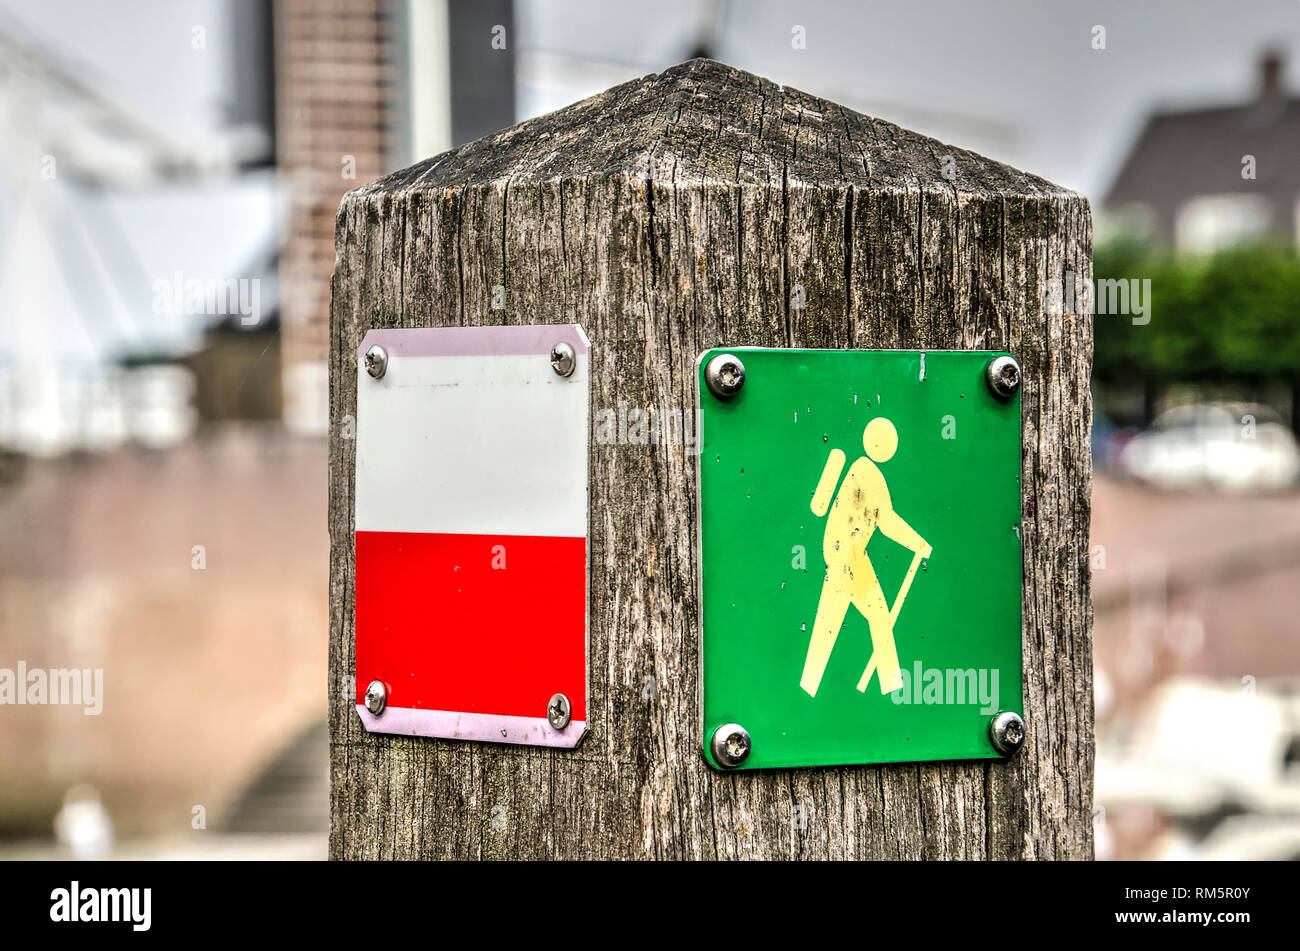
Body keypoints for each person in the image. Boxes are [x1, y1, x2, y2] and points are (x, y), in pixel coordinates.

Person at [801, 417, 931, 698]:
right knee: (879, 616)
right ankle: (893, 689)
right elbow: (887, 521)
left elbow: (882, 520)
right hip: (849, 556)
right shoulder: (867, 472)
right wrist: (918, 544)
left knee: (828, 622)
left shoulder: (860, 468)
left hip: (840, 553)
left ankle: (807, 687)